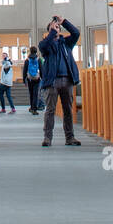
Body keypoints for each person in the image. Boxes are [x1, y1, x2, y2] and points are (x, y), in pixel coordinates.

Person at [38, 16, 81, 146]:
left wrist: (64, 22)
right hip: (52, 82)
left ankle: (70, 137)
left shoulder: (66, 43)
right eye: (53, 27)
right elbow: (43, 46)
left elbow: (76, 33)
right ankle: (47, 138)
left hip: (67, 80)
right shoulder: (45, 45)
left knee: (68, 110)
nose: (56, 28)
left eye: (57, 27)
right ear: (49, 30)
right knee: (50, 110)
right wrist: (52, 32)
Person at [22, 46, 42, 114]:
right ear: (36, 51)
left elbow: (24, 71)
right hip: (37, 79)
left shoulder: (27, 60)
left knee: (31, 94)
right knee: (36, 94)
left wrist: (24, 80)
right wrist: (42, 77)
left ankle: (31, 107)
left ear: (30, 51)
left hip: (29, 79)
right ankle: (34, 109)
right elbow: (42, 69)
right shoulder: (38, 59)